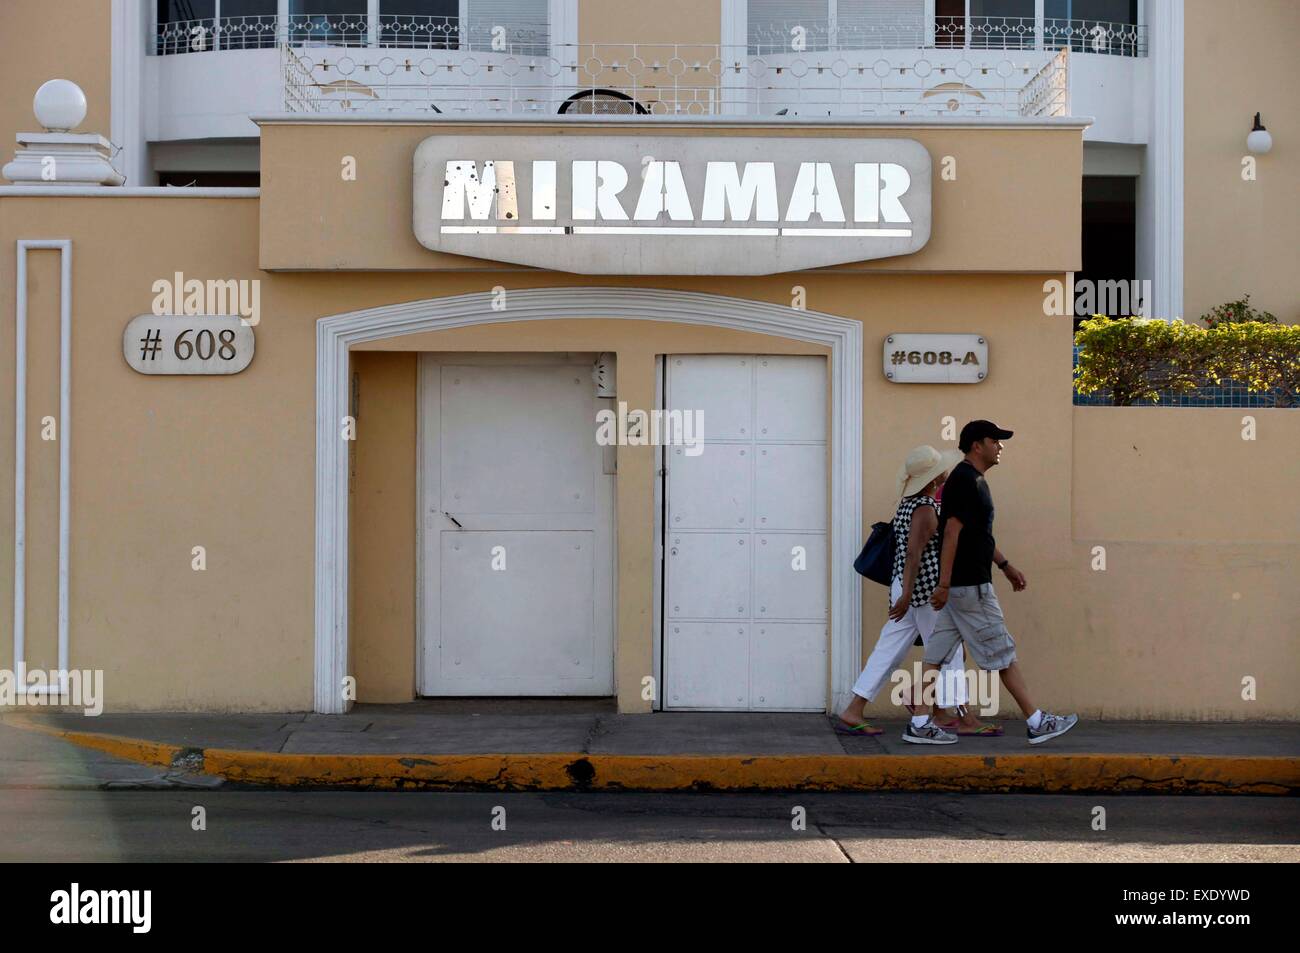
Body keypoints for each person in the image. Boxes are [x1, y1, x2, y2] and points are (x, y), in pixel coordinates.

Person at [920, 420, 1080, 745]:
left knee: (935, 655)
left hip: (962, 588)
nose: (1000, 446)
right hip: (970, 588)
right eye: (995, 440)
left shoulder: (973, 480)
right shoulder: (966, 480)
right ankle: (1036, 720)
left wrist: (1005, 566)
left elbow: (979, 536)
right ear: (977, 445)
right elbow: (951, 532)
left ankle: (920, 722)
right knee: (1003, 652)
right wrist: (945, 583)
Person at [837, 445, 999, 739]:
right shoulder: (925, 509)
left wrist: (903, 594)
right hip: (922, 591)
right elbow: (914, 554)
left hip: (908, 587)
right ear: (932, 479)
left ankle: (855, 709)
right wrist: (908, 596)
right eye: (940, 472)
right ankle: (961, 715)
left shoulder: (911, 503)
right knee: (949, 650)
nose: (946, 473)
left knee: (889, 650)